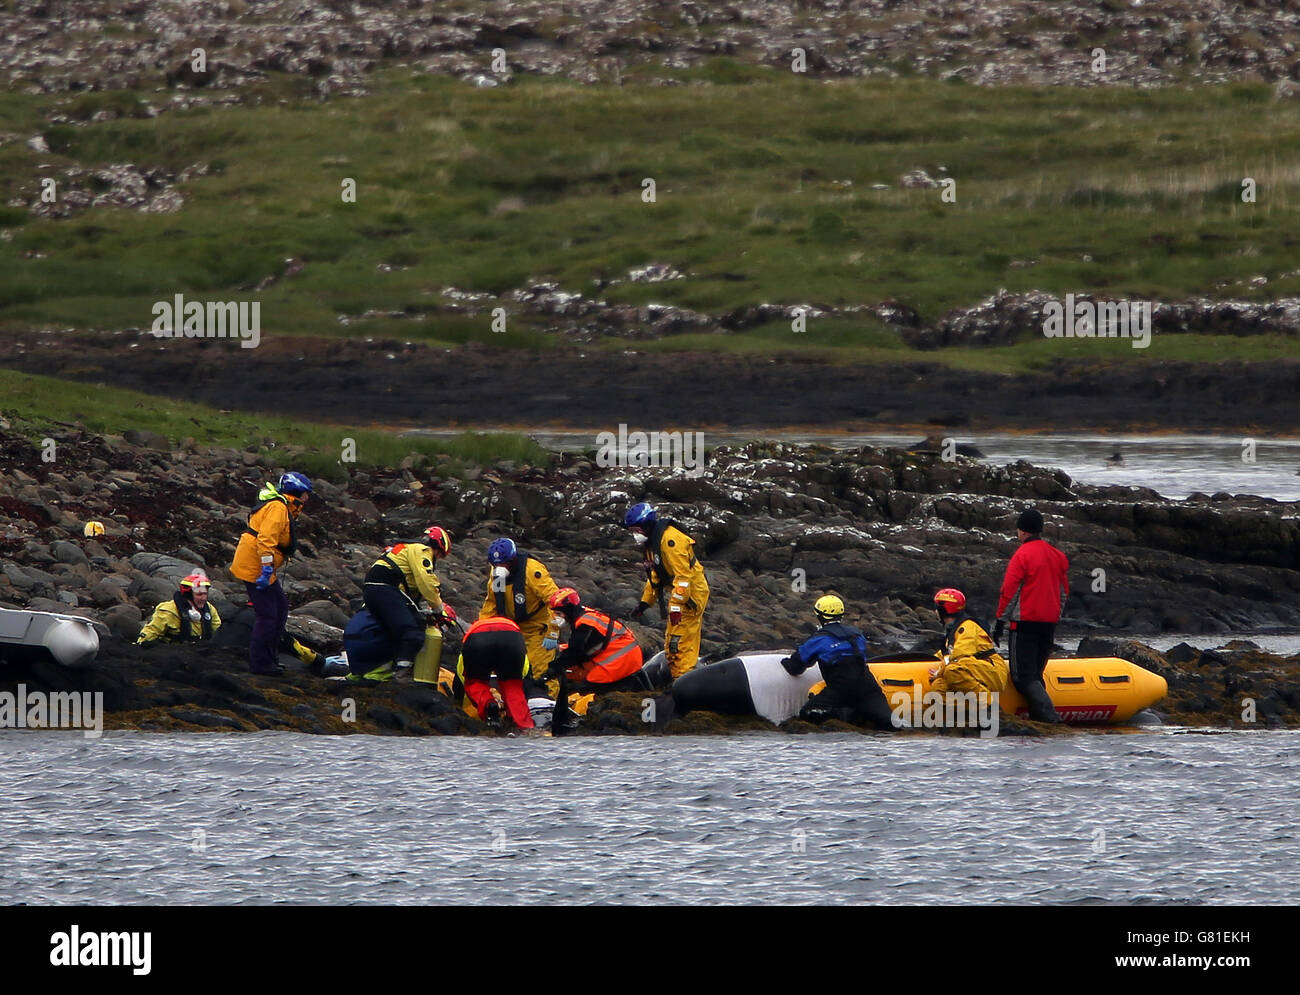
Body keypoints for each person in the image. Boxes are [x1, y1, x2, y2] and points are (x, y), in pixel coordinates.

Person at [229, 471, 311, 676]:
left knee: (281, 608)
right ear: (297, 492)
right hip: (255, 566)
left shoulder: (283, 506)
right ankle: (260, 664)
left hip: (261, 565)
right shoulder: (277, 507)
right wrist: (266, 569)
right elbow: (266, 540)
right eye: (306, 493)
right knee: (267, 616)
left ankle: (271, 658)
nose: (307, 498)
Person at [994, 508, 1070, 723]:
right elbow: (1064, 593)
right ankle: (1040, 720)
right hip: (1048, 624)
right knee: (1036, 674)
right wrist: (1055, 617)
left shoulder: (1022, 555)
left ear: (1022, 531)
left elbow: (1009, 591)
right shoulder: (1057, 556)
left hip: (1024, 623)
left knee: (1022, 677)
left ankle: (1051, 717)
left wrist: (1000, 621)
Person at [782, 595, 895, 729]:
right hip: (868, 687)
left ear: (819, 616)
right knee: (890, 724)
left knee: (807, 713)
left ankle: (847, 714)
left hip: (840, 690)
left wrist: (784, 661)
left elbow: (795, 668)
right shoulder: (857, 635)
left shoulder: (818, 640)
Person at [624, 502, 709, 679]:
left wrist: (677, 607)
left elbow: (684, 579)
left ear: (646, 526)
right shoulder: (653, 543)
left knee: (678, 647)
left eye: (636, 530)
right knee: (671, 645)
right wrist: (644, 604)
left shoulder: (670, 542)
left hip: (690, 597)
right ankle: (681, 680)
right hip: (679, 596)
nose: (635, 535)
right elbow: (656, 576)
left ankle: (683, 681)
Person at [361, 526, 457, 680]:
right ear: (438, 547)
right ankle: (401, 674)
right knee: (413, 631)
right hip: (385, 589)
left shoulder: (405, 549)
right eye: (439, 554)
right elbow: (426, 581)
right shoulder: (422, 551)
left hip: (372, 590)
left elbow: (408, 592)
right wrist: (438, 608)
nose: (437, 558)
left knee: (392, 631)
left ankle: (381, 669)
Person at [478, 537, 558, 680]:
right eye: (496, 565)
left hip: (537, 631)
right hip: (512, 631)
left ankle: (547, 701)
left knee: (539, 673)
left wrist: (553, 633)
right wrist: (479, 632)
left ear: (513, 559)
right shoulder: (497, 576)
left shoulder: (532, 572)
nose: (501, 568)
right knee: (510, 673)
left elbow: (556, 601)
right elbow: (491, 604)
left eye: (504, 564)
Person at [546, 587, 644, 692]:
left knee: (582, 688)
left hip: (622, 659)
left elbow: (575, 654)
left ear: (568, 611)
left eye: (559, 614)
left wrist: (550, 671)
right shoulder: (586, 615)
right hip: (627, 653)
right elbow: (585, 645)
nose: (556, 617)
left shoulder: (585, 624)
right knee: (574, 671)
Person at [457, 615, 538, 734]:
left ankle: (489, 706)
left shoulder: (467, 643)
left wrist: (456, 703)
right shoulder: (512, 631)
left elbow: (461, 677)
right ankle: (524, 726)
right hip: (512, 636)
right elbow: (526, 677)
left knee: (476, 683)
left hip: (477, 638)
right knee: (512, 686)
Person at [929, 588, 1008, 696]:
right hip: (975, 670)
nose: (935, 612)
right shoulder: (954, 631)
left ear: (943, 610)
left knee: (952, 670)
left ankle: (988, 704)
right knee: (938, 688)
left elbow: (960, 656)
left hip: (992, 671)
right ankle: (964, 711)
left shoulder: (967, 627)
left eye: (936, 608)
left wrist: (939, 672)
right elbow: (945, 654)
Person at [137, 572, 222, 644]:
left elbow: (219, 632)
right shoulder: (168, 611)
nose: (203, 598)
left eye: (205, 594)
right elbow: (149, 635)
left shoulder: (210, 609)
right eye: (199, 594)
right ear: (188, 595)